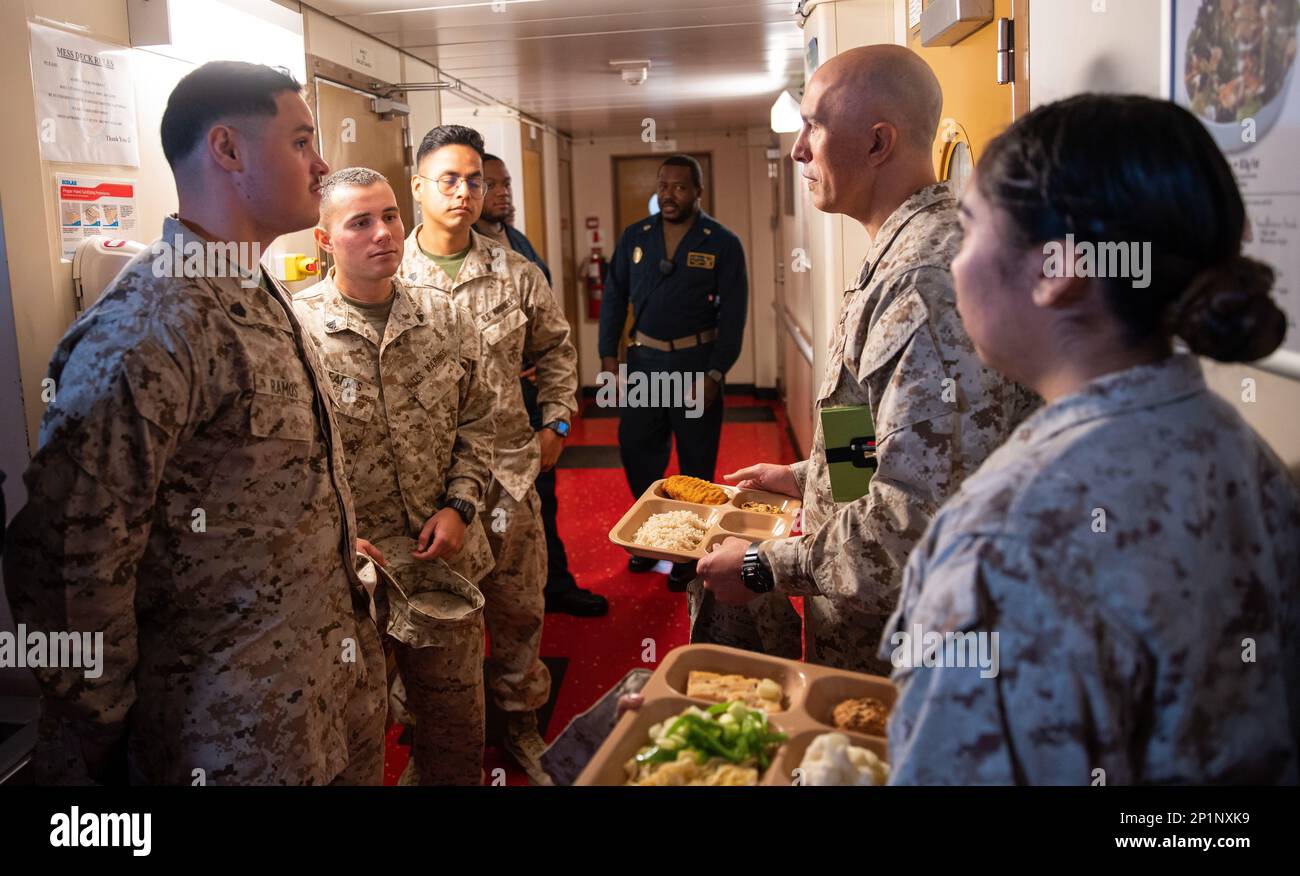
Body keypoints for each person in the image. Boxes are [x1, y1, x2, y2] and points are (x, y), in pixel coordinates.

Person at [881, 94, 1298, 784]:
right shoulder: (1237, 447)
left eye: (970, 227)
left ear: (1057, 270)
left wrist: (770, 565)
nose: (956, 264)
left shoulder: (1008, 537)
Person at [2, 62, 387, 785]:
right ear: (228, 150)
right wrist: (101, 738)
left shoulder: (258, 285)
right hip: (226, 737)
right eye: (301, 141)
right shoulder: (149, 326)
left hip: (324, 700)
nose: (323, 163)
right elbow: (66, 562)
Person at [698, 45, 1038, 673]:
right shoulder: (899, 252)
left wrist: (763, 565)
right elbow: (895, 442)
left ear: (878, 142)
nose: (798, 149)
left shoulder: (927, 280)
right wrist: (811, 476)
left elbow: (916, 522)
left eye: (814, 126)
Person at [292, 167, 496, 784]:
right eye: (361, 223)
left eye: (390, 217)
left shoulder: (442, 314)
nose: (384, 233)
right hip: (352, 580)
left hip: (441, 567)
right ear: (325, 240)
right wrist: (330, 534)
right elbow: (290, 460)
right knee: (354, 749)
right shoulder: (298, 329)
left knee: (455, 736)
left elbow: (480, 419)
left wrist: (461, 506)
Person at [399, 125, 579, 784]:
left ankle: (521, 720)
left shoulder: (513, 271)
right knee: (429, 621)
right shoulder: (387, 274)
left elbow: (556, 348)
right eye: (448, 178)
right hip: (423, 487)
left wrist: (557, 422)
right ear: (417, 186)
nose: (464, 192)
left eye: (474, 179)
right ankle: (432, 737)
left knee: (519, 609)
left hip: (508, 475)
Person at [599, 154, 749, 592]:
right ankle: (649, 542)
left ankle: (688, 553)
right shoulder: (635, 237)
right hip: (645, 363)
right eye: (663, 186)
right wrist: (608, 356)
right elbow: (614, 297)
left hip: (695, 365)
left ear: (698, 192)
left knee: (696, 464)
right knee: (637, 449)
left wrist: (717, 373)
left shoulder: (721, 241)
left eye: (680, 187)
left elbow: (735, 314)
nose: (669, 194)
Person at [475, 154, 607, 617]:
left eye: (505, 183)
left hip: (526, 403)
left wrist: (557, 414)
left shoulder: (517, 243)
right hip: (478, 417)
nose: (502, 192)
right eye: (490, 184)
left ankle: (551, 585)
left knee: (540, 499)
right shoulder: (458, 254)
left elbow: (547, 329)